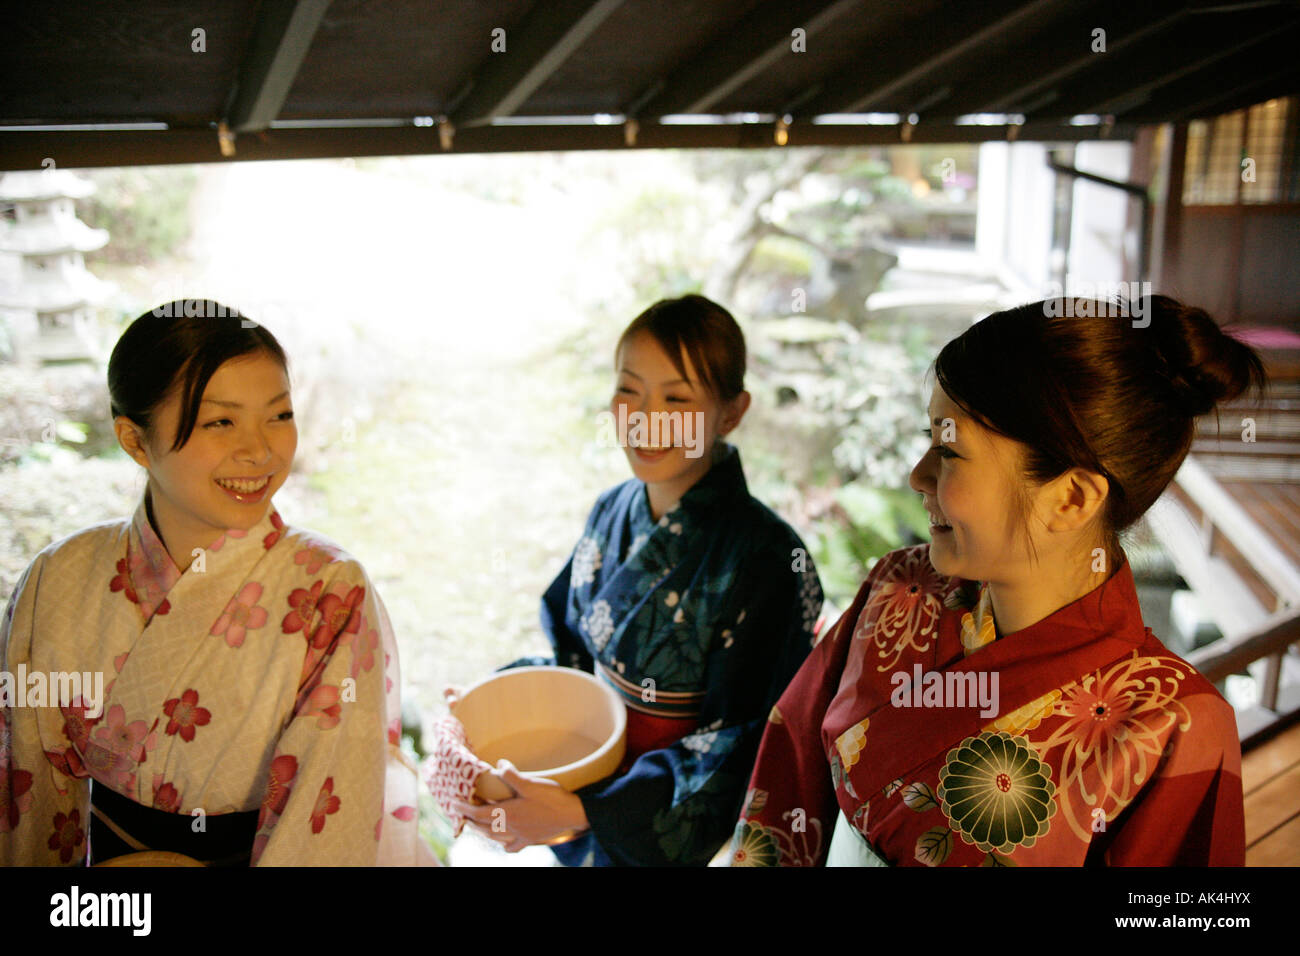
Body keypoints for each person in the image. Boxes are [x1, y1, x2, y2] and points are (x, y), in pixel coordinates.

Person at [730, 294, 1259, 867]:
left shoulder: (1171, 724)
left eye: (949, 450)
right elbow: (790, 771)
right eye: (928, 439)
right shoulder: (900, 589)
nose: (917, 475)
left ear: (1070, 498)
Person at [0, 301, 426, 866]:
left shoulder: (327, 591)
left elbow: (331, 817)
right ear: (133, 440)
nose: (261, 450)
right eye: (221, 421)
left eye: (278, 415)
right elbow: (27, 800)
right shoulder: (59, 579)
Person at [452, 294, 823, 866]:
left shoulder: (768, 559)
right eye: (629, 390)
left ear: (731, 412)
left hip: (651, 820)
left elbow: (747, 744)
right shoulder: (611, 509)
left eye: (676, 398)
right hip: (582, 776)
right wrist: (492, 703)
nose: (647, 419)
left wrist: (587, 813)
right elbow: (572, 655)